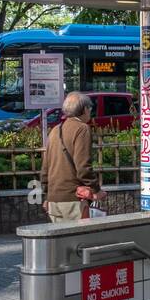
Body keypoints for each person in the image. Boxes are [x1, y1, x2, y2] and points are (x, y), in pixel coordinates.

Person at [39, 91, 106, 222]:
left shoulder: (55, 130)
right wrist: (96, 190)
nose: (90, 111)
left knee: (60, 241)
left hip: (53, 201)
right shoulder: (82, 129)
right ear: (85, 109)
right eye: (90, 108)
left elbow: (45, 168)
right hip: (73, 199)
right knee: (78, 241)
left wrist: (47, 197)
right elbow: (83, 167)